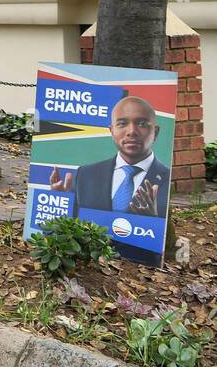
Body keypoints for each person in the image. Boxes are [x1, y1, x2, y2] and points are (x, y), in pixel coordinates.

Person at [48, 95, 171, 265]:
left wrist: (151, 222)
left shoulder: (168, 179)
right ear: (111, 130)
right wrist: (61, 203)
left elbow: (165, 252)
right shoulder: (86, 174)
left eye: (142, 124)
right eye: (122, 124)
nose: (131, 131)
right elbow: (69, 234)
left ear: (155, 132)